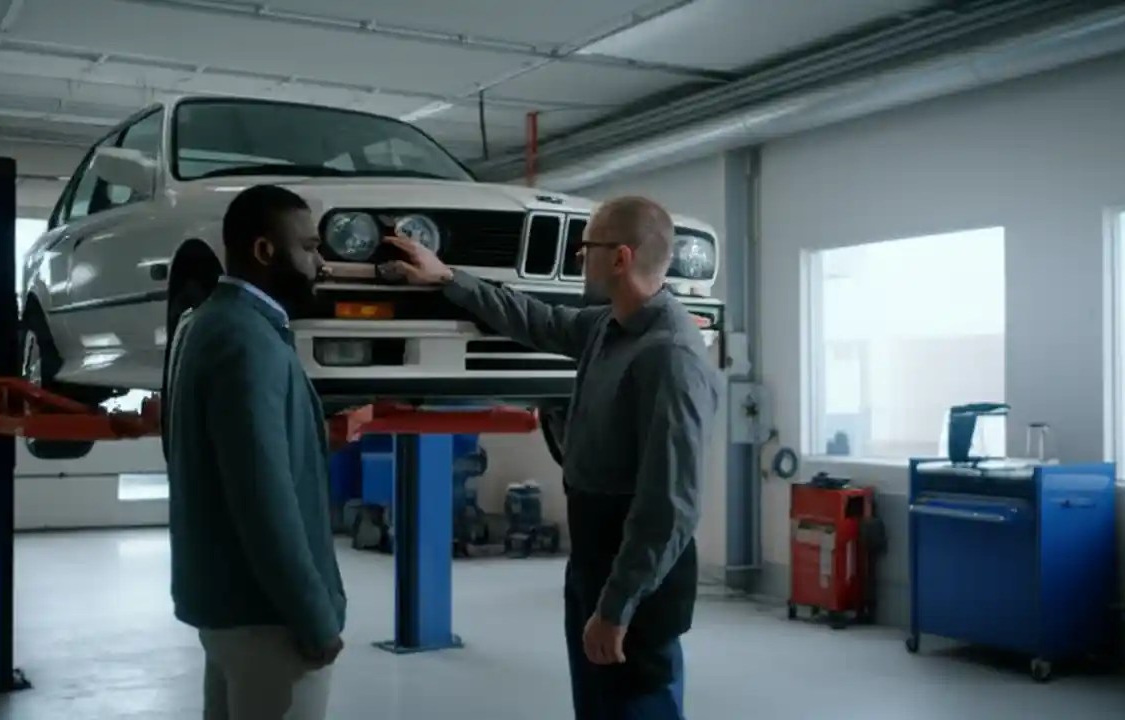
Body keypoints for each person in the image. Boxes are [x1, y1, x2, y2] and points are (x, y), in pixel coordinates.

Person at [381, 195, 721, 720]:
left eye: (587, 247)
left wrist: (616, 607)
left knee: (637, 703)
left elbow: (670, 506)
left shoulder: (669, 355)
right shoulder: (608, 327)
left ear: (621, 258)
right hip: (594, 559)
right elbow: (535, 319)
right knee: (597, 703)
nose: (580, 257)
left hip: (637, 579)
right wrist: (448, 277)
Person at [164, 184, 345, 720]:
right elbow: (264, 499)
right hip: (269, 620)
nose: (321, 265)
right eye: (310, 248)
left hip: (226, 611)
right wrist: (313, 617)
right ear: (267, 251)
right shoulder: (248, 341)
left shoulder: (208, 324)